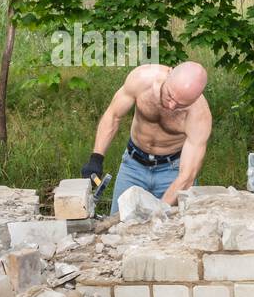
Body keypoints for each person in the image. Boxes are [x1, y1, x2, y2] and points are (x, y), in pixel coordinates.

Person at [81, 61, 211, 214]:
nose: (171, 106)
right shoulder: (142, 79)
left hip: (173, 172)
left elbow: (186, 176)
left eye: (181, 104)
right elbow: (113, 115)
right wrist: (96, 158)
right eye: (170, 96)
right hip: (133, 166)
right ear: (169, 73)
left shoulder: (199, 116)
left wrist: (157, 214)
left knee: (168, 231)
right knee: (117, 229)